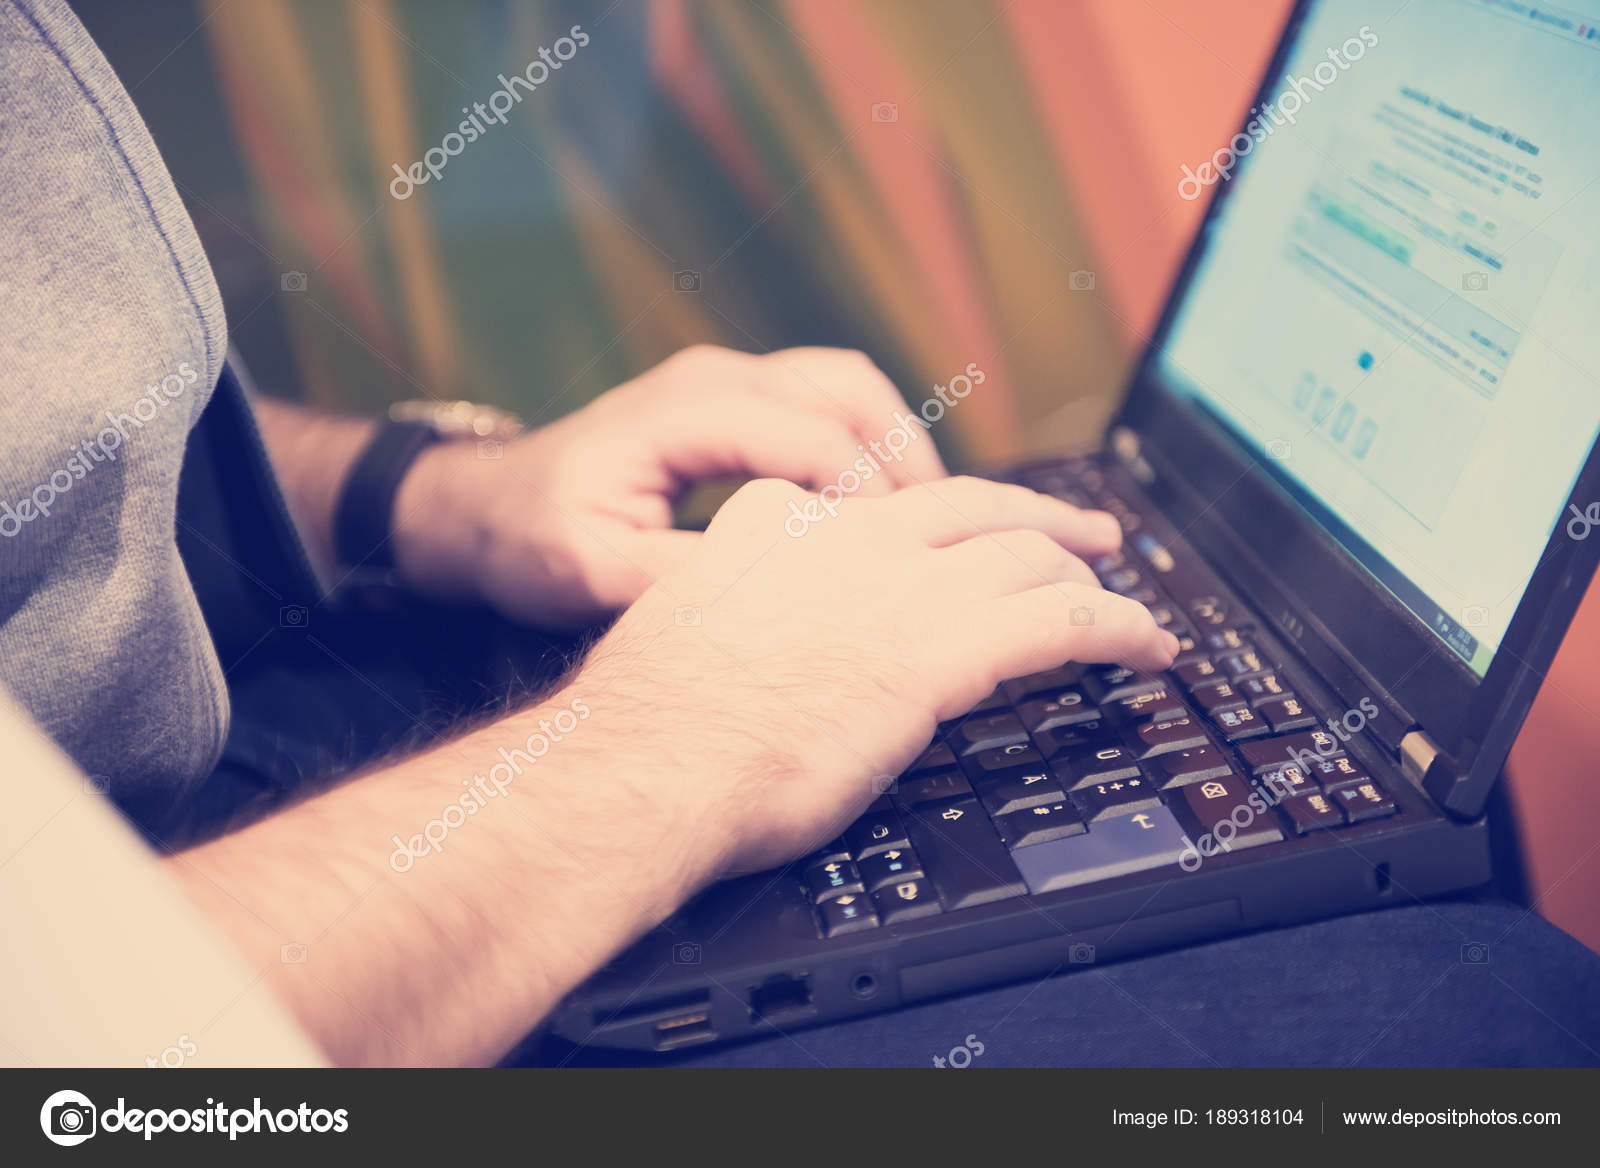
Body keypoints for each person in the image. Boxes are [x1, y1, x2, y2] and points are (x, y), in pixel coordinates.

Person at [2, 0, 1597, 1069]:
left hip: (189, 755)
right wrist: (667, 743)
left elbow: (94, 439)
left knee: (1383, 774)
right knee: (1504, 1017)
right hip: (182, 979)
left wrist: (420, 491)